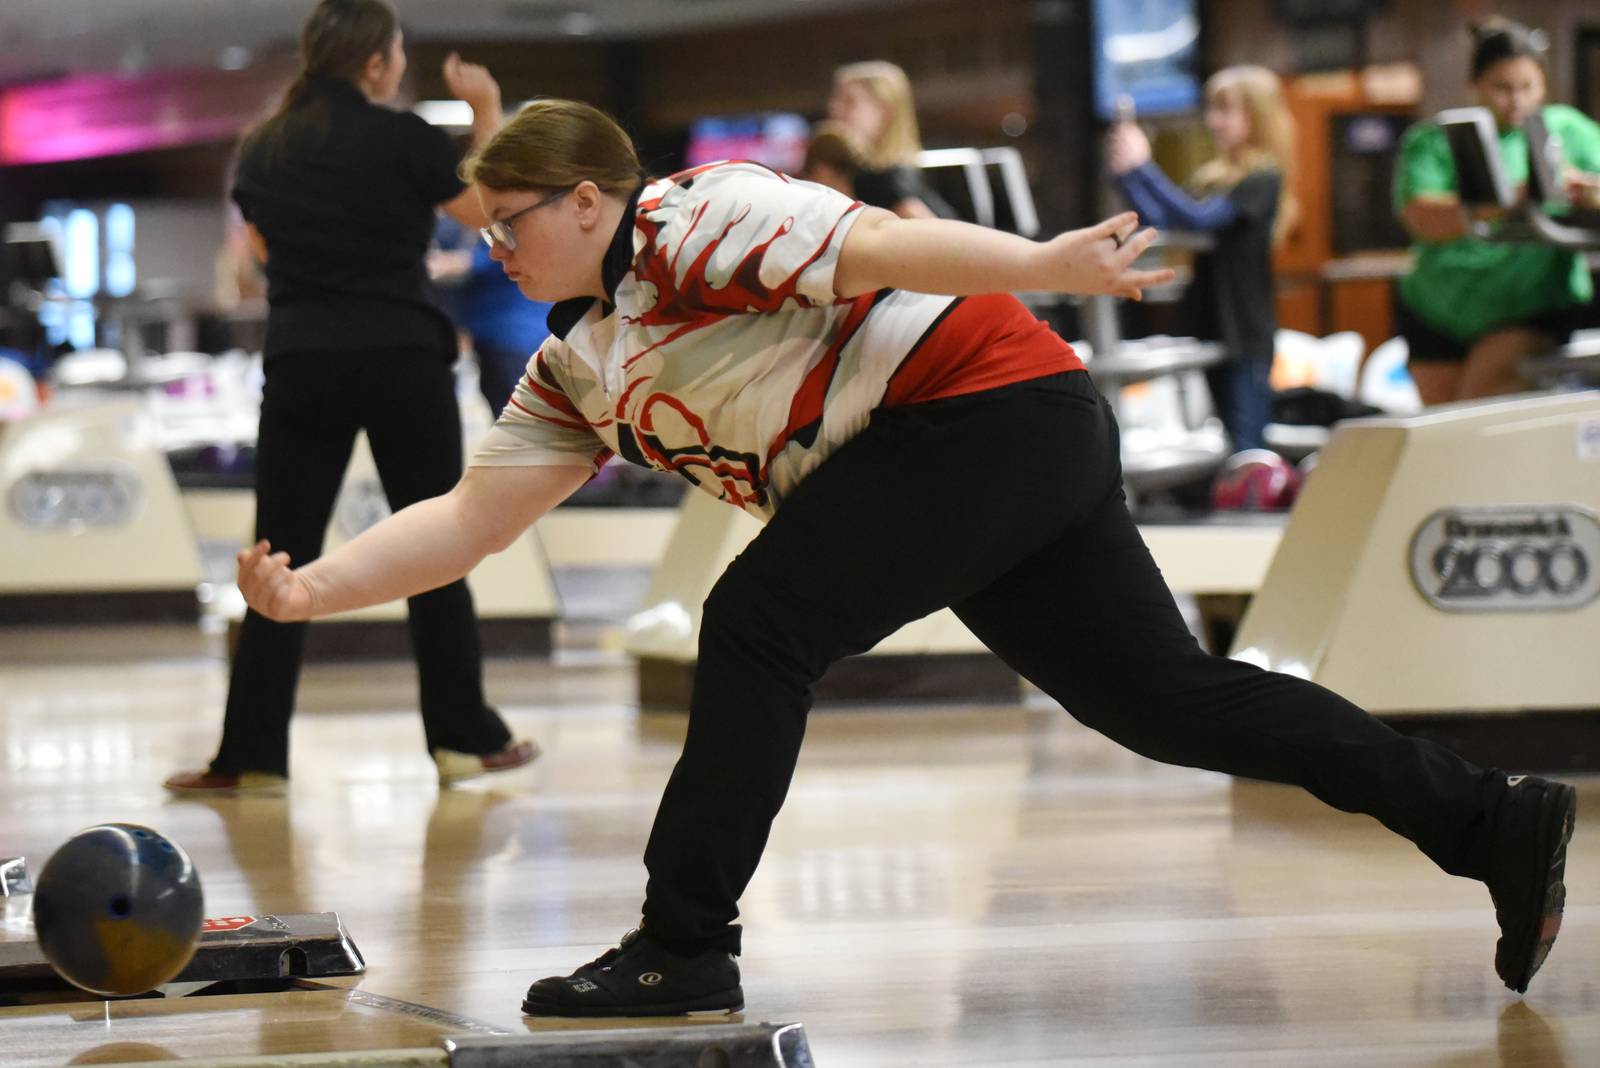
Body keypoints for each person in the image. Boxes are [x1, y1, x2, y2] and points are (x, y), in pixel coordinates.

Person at [229, 98, 1574, 1016]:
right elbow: (469, 519)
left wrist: (1046, 260)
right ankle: (1486, 819)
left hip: (981, 407)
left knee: (756, 623)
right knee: (1169, 704)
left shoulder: (687, 217)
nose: (493, 245)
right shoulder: (579, 365)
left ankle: (683, 946)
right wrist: (309, 591)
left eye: (507, 219)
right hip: (996, 436)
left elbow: (871, 241)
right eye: (478, 229)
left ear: (589, 197)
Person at [164, 0, 536, 795]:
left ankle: (252, 756)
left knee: (278, 556)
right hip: (403, 357)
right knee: (437, 546)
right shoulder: (402, 137)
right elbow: (485, 209)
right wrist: (484, 109)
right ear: (375, 63)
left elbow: (259, 251)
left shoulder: (265, 145)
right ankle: (463, 738)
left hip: (304, 361)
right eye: (397, 50)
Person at [1394, 17, 1600, 406]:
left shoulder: (1566, 130)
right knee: (1444, 430)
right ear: (1475, 85)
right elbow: (1421, 215)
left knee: (1480, 409)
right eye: (1502, 88)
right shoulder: (1437, 138)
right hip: (1437, 306)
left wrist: (1582, 188)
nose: (1516, 100)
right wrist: (1506, 201)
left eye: (1527, 87)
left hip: (1528, 304)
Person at [1107, 66, 1298, 453]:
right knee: (1231, 440)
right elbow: (1165, 220)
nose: (1214, 122)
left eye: (1226, 111)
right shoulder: (1214, 178)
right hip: (1213, 324)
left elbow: (1200, 221)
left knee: (1248, 448)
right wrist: (1127, 175)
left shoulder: (1263, 178)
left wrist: (1144, 167)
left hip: (1244, 329)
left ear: (1257, 116)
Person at [429, 215, 553, 417]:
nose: (497, 253)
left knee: (519, 416)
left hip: (514, 336)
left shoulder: (510, 220)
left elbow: (481, 261)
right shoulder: (458, 226)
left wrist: (440, 264)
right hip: (493, 336)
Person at [827, 60, 955, 219]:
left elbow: (936, 235)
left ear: (885, 111)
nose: (834, 108)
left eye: (849, 101)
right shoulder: (891, 173)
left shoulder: (883, 180)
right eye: (835, 100)